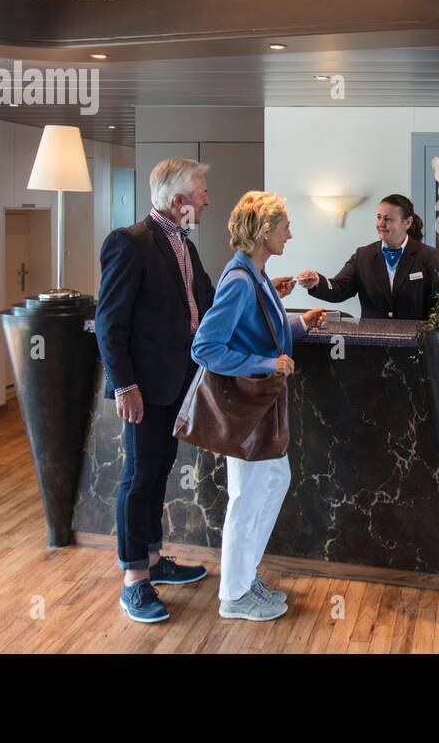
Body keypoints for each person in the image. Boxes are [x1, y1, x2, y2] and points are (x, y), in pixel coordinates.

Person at [192, 191, 326, 621]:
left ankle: (245, 576)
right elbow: (206, 347)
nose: (291, 232)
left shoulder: (258, 274)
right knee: (248, 496)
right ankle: (234, 593)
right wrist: (267, 362)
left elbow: (261, 328)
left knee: (267, 484)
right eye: (285, 225)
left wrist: (298, 325)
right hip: (246, 408)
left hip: (260, 409)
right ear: (265, 231)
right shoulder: (238, 279)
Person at [95, 157, 215, 624]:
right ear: (178, 200)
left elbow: (204, 300)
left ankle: (152, 556)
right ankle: (134, 581)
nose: (207, 198)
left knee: (160, 471)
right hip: (144, 388)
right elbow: (110, 324)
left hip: (180, 382)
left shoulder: (184, 242)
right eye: (201, 191)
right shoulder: (130, 243)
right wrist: (125, 385)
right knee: (138, 478)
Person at [296, 193, 439, 319]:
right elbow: (339, 289)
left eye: (388, 219)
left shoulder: (428, 256)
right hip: (372, 344)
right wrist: (316, 282)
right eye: (379, 217)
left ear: (407, 222)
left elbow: (437, 306)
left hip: (415, 345)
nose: (381, 224)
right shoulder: (363, 256)